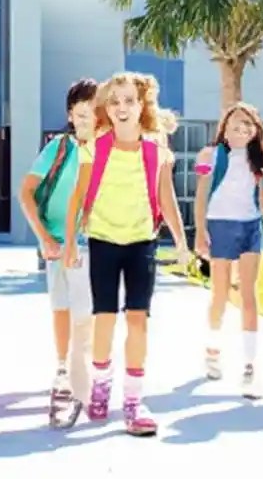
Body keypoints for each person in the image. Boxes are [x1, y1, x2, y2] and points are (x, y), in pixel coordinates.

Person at [64, 71, 190, 437]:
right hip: (103, 240)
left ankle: (133, 402)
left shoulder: (156, 149)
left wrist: (180, 242)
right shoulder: (95, 147)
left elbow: (166, 197)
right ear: (107, 107)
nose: (122, 108)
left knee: (138, 319)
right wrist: (71, 243)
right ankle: (101, 384)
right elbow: (78, 197)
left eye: (129, 101)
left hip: (141, 241)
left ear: (142, 105)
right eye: (114, 102)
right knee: (104, 318)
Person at [193, 102, 263, 398]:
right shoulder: (210, 155)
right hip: (220, 227)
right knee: (220, 294)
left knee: (249, 295)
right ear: (225, 126)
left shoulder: (259, 161)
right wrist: (200, 233)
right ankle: (212, 349)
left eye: (249, 122)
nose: (242, 127)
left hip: (250, 228)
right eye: (236, 121)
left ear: (255, 129)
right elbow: (201, 195)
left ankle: (250, 365)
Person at [17, 78, 98, 428]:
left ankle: (90, 371)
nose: (88, 119)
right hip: (59, 241)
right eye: (82, 112)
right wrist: (44, 239)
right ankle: (64, 368)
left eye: (95, 111)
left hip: (99, 240)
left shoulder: (110, 148)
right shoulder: (59, 148)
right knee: (63, 307)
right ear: (70, 114)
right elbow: (26, 193)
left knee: (92, 310)